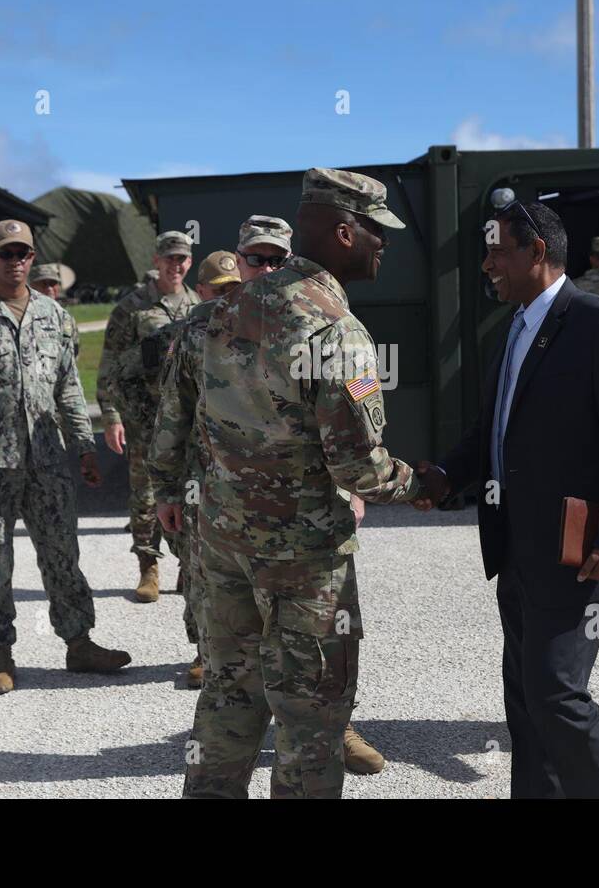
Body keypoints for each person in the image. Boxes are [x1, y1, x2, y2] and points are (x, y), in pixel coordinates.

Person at [183, 171, 420, 798]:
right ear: (344, 234)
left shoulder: (219, 312)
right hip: (303, 558)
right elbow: (358, 468)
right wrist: (421, 483)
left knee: (228, 698)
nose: (383, 245)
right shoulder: (334, 331)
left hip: (225, 542)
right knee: (310, 720)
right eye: (376, 232)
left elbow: (193, 422)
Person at [415, 200, 599, 798]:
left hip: (578, 547)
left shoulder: (595, 320)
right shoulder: (513, 330)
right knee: (525, 697)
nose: (487, 264)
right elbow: (493, 430)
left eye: (498, 251)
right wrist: (446, 474)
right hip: (518, 548)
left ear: (538, 251)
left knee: (557, 693)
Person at [0, 219, 131, 695]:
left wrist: (84, 447)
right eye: (6, 253)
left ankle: (79, 643)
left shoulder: (55, 317)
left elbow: (67, 387)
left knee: (63, 554)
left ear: (32, 256)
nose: (16, 260)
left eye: (23, 253)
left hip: (47, 462)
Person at [148, 250, 243, 689]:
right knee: (201, 568)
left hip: (258, 479)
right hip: (200, 477)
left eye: (235, 287)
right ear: (200, 291)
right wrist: (164, 486)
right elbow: (171, 412)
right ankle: (206, 652)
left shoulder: (271, 328)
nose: (229, 295)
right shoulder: (188, 335)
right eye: (220, 289)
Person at [96, 232, 201, 602]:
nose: (176, 265)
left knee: (191, 491)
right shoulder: (133, 307)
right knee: (145, 493)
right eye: (170, 258)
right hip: (144, 417)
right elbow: (110, 363)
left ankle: (189, 567)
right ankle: (148, 566)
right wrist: (111, 415)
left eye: (183, 259)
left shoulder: (197, 303)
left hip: (187, 420)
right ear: (156, 260)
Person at [30, 262, 79, 356]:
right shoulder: (24, 316)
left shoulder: (65, 317)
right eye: (43, 284)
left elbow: (74, 349)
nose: (49, 288)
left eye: (53, 283)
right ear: (32, 286)